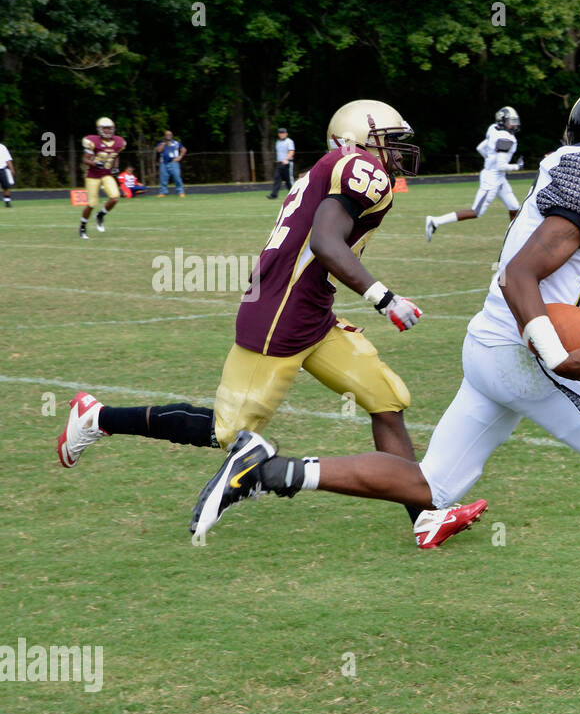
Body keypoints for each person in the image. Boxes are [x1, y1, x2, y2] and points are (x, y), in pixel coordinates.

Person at [192, 82, 580, 668]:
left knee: (432, 488)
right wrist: (553, 355)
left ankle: (268, 470)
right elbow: (521, 277)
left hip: (491, 346)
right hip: (523, 355)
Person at [57, 99, 486, 550]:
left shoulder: (331, 167)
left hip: (308, 313)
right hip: (282, 317)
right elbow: (324, 242)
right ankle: (97, 417)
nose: (396, 154)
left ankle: (426, 518)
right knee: (227, 431)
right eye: (389, 142)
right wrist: (384, 297)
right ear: (356, 140)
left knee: (385, 398)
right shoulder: (361, 169)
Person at [424, 106, 523, 239]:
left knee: (514, 206)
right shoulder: (506, 138)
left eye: (514, 121)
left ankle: (515, 238)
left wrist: (489, 161)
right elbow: (500, 166)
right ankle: (435, 221)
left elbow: (480, 148)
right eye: (511, 121)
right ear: (502, 121)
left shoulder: (493, 129)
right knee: (476, 212)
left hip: (498, 177)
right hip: (492, 180)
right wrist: (517, 166)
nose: (514, 124)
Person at [79, 117, 126, 238]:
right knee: (91, 204)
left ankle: (100, 215)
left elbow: (116, 156)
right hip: (93, 176)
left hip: (106, 174)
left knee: (115, 197)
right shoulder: (93, 141)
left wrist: (115, 167)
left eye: (110, 128)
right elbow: (85, 159)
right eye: (105, 128)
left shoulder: (118, 142)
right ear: (99, 129)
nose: (108, 131)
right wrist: (94, 163)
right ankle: (83, 227)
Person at [155, 130, 186, 196]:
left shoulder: (176, 143)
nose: (168, 136)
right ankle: (163, 192)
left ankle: (180, 191)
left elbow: (184, 149)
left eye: (169, 134)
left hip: (173, 162)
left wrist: (180, 156)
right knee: (163, 178)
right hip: (163, 163)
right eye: (167, 135)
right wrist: (164, 144)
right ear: (165, 136)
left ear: (172, 136)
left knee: (177, 177)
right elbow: (159, 150)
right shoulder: (161, 143)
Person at [268, 127, 295, 198]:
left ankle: (294, 194)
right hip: (279, 163)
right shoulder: (278, 142)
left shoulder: (289, 141)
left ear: (286, 134)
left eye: (283, 133)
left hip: (287, 163)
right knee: (277, 178)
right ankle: (274, 194)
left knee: (288, 180)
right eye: (280, 133)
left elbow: (291, 151)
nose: (281, 134)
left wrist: (286, 159)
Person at [0, 141, 14, 207]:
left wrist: (11, 169)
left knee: (6, 186)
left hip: (2, 169)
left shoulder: (2, 147)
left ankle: (7, 202)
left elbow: (8, 159)